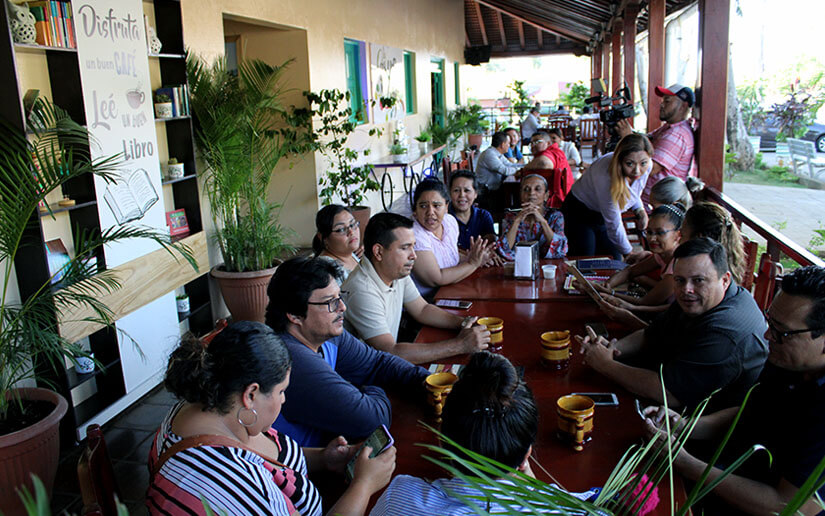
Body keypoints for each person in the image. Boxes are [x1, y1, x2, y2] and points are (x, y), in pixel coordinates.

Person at [147, 321, 395, 516]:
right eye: (281, 391)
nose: (284, 400)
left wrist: (323, 458)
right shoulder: (238, 486)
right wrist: (363, 485)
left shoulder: (196, 408)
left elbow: (266, 460)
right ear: (251, 394)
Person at [644, 266, 825, 515]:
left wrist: (686, 463)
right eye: (769, 321)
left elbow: (785, 506)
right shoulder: (786, 361)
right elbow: (752, 414)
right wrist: (686, 426)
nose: (767, 335)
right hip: (730, 471)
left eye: (782, 332)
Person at [579, 238, 768, 412]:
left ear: (725, 280)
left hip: (699, 423)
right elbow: (652, 333)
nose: (687, 289)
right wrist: (612, 348)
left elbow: (670, 393)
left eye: (698, 280)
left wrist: (606, 364)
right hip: (671, 387)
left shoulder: (726, 330)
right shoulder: (699, 299)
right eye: (679, 280)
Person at [265, 256, 430, 447]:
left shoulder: (327, 334)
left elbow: (377, 363)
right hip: (307, 470)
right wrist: (361, 389)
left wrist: (426, 382)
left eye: (339, 298)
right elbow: (372, 421)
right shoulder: (290, 359)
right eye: (330, 302)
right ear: (294, 315)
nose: (342, 307)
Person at [369, 351, 543, 515]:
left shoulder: (397, 499)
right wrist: (523, 466)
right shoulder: (564, 508)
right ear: (527, 454)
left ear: (440, 440)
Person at [343, 213, 490, 364]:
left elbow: (422, 309)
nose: (414, 255)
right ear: (379, 252)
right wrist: (460, 345)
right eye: (405, 248)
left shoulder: (394, 270)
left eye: (413, 246)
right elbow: (390, 351)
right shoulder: (362, 290)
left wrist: (465, 323)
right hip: (365, 378)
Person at [561, 133, 652, 259]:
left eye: (643, 163)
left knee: (613, 260)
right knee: (585, 260)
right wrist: (629, 253)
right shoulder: (606, 175)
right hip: (578, 212)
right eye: (630, 164)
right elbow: (613, 222)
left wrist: (640, 210)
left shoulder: (647, 165)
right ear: (620, 160)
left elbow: (634, 191)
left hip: (602, 215)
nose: (637, 170)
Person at [409, 179, 493, 297]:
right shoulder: (413, 234)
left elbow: (449, 256)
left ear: (446, 206)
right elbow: (436, 279)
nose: (430, 212)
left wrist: (475, 257)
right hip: (428, 303)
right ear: (415, 210)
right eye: (423, 206)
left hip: (453, 290)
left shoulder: (449, 222)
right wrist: (473, 263)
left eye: (437, 205)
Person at [616, 84, 697, 205]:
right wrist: (629, 131)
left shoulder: (677, 135)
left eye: (667, 101)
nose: (662, 105)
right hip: (645, 196)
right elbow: (647, 139)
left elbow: (648, 169)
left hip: (654, 203)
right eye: (663, 101)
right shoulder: (668, 128)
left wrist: (628, 137)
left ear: (683, 106)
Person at [595, 203, 684, 312]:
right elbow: (630, 271)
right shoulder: (661, 255)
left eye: (660, 233)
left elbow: (646, 302)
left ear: (678, 235)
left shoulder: (678, 266)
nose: (652, 239)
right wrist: (608, 285)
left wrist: (609, 293)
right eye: (649, 232)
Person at [496, 174, 568, 260]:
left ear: (546, 195)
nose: (531, 193)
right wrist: (517, 221)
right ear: (521, 195)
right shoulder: (511, 216)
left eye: (537, 189)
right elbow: (503, 250)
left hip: (548, 268)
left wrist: (543, 222)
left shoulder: (555, 216)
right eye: (526, 189)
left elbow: (561, 250)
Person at [682, 202, 746, 284]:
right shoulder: (727, 262)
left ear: (698, 238)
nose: (679, 241)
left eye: (682, 235)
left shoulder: (702, 275)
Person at [447, 170, 497, 249]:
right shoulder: (445, 219)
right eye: (456, 190)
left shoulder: (483, 216)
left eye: (467, 190)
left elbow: (490, 244)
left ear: (475, 194)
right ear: (450, 193)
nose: (462, 195)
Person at [522, 131, 573, 208]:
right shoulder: (551, 152)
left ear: (548, 143)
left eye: (537, 142)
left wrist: (527, 167)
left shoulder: (549, 153)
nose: (533, 145)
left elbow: (544, 163)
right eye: (531, 143)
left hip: (551, 198)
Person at [313, 204, 361, 280]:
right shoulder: (326, 271)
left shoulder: (351, 254)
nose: (351, 232)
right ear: (323, 238)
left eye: (352, 224)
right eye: (341, 229)